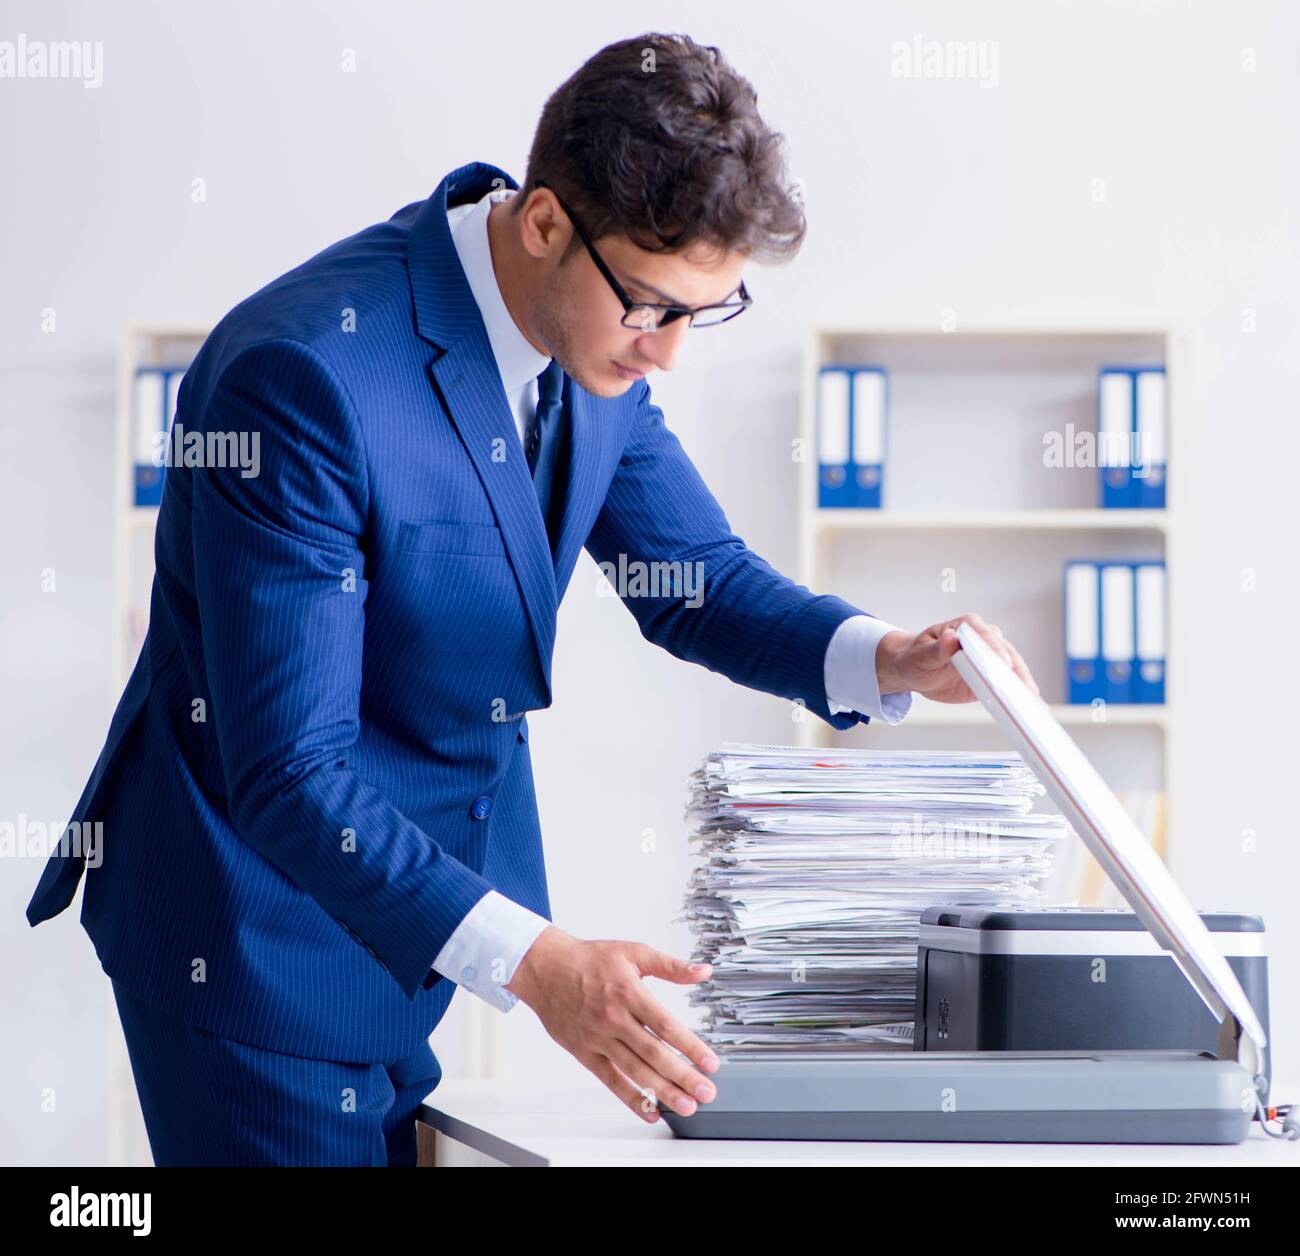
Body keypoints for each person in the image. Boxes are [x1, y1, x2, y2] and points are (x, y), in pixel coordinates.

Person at [26, 31, 1037, 1166]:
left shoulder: (590, 338)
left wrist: (888, 655)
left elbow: (694, 579)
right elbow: (291, 772)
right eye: (654, 308)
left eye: (705, 312)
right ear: (546, 221)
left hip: (400, 921)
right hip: (252, 940)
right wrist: (543, 964)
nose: (669, 356)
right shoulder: (302, 378)